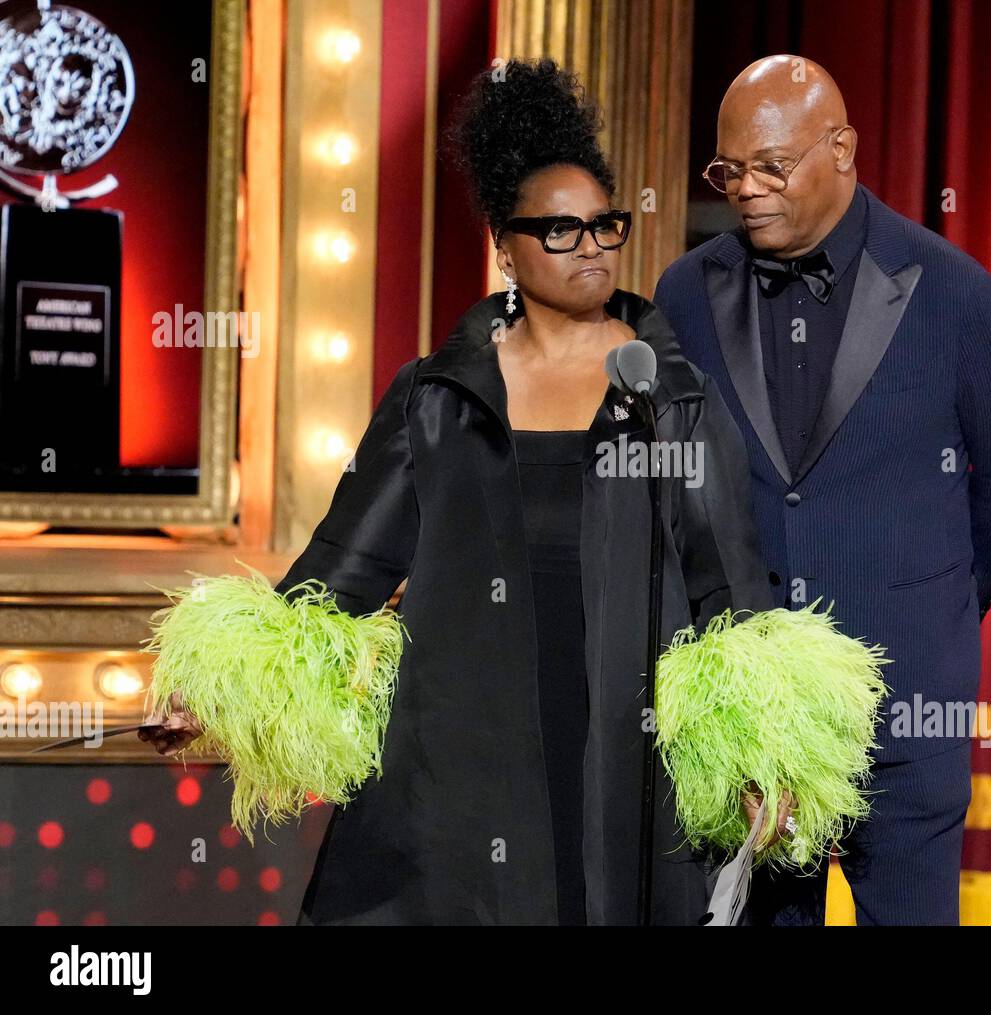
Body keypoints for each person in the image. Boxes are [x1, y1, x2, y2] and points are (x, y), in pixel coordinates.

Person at [140, 59, 846, 926]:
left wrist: (763, 757)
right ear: (502, 246)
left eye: (604, 225)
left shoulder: (674, 395)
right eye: (558, 230)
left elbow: (728, 589)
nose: (589, 245)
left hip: (626, 767)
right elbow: (341, 573)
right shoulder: (435, 396)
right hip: (459, 763)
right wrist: (214, 690)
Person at [653, 55, 991, 925]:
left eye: (772, 165)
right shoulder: (686, 294)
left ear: (842, 148)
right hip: (752, 721)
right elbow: (673, 488)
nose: (747, 190)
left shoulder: (956, 294)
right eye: (729, 171)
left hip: (906, 705)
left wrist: (939, 601)